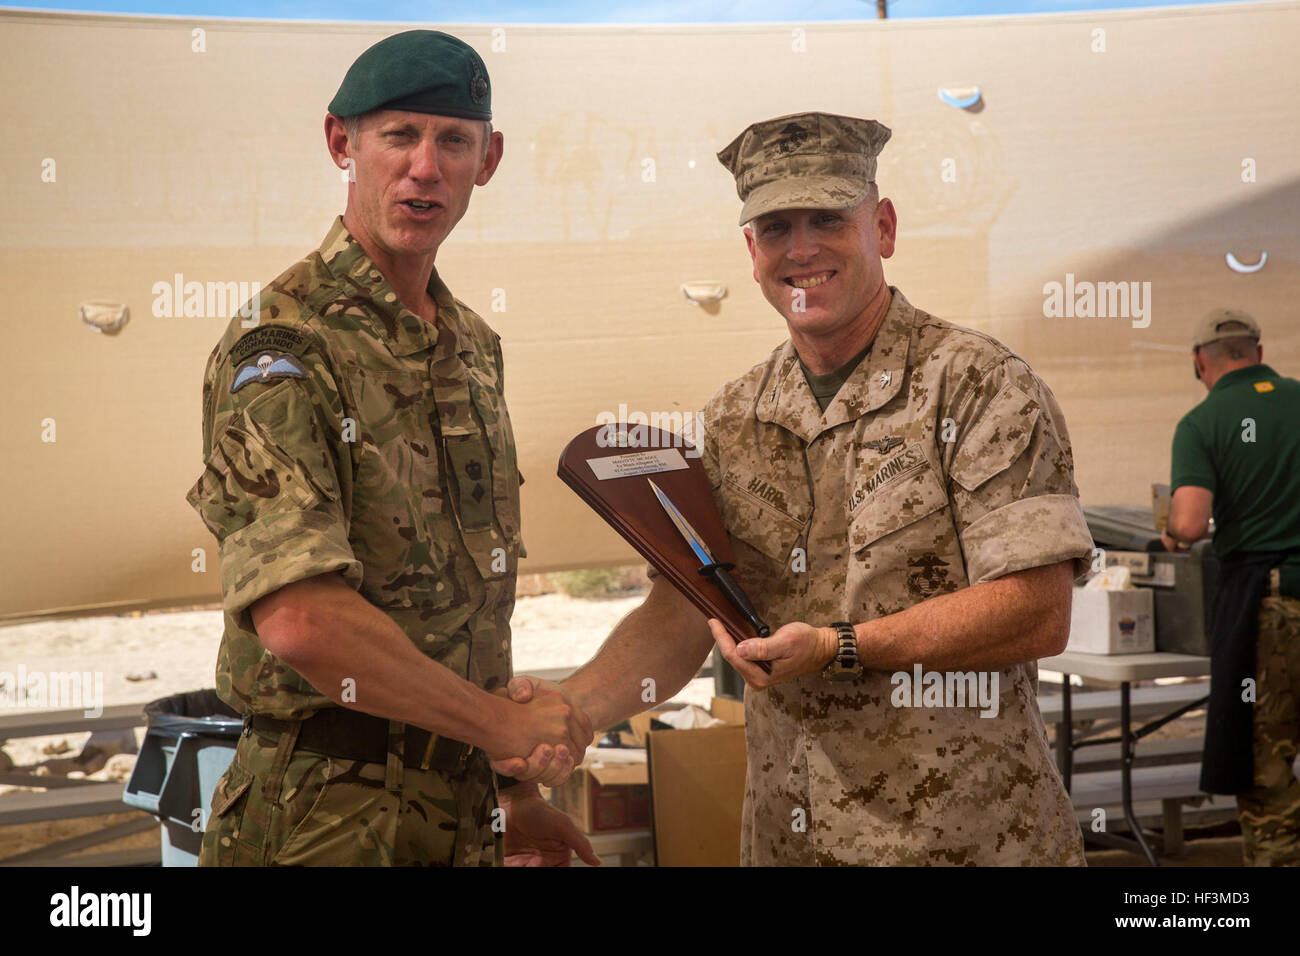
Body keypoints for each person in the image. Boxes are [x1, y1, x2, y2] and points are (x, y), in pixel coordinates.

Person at [496, 111, 1096, 865]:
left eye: (827, 219)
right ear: (751, 251)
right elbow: (686, 612)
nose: (802, 249)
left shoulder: (978, 386)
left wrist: (840, 647)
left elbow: (1036, 613)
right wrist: (571, 712)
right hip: (791, 840)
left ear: (882, 225)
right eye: (777, 227)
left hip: (969, 840)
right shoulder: (731, 421)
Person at [186, 30, 596, 867]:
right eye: (398, 137)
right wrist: (502, 726)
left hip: (460, 806)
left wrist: (513, 795)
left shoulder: (473, 348)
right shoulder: (286, 346)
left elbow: (465, 611)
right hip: (324, 814)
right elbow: (302, 619)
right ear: (342, 143)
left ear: (489, 159)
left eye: (454, 141)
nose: (425, 167)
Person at [1162, 308, 1300, 866]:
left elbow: (1191, 523)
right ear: (1259, 354)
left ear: (1201, 363)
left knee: (1266, 766)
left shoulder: (1202, 423)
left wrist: (1171, 532)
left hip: (1270, 611)